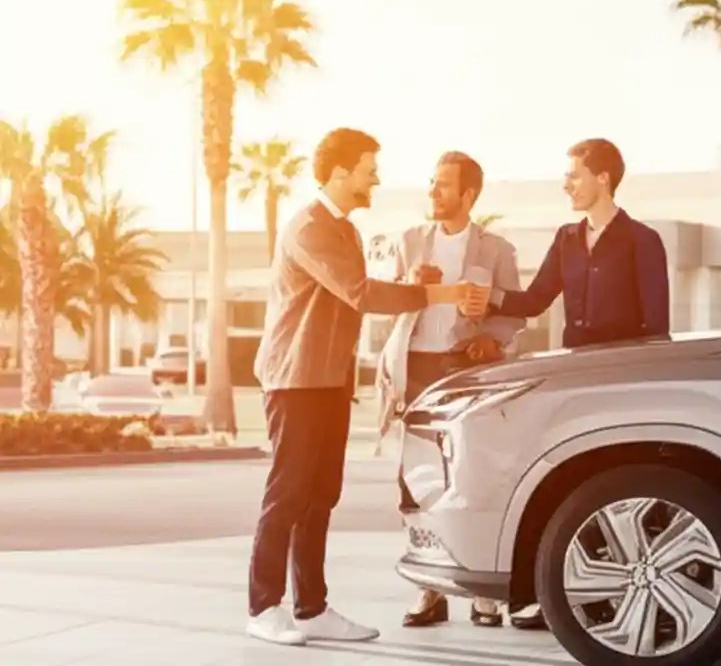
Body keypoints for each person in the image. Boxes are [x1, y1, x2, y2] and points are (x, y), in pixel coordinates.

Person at [246, 128, 487, 647]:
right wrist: (438, 291)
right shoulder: (308, 227)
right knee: (288, 493)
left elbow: (363, 286)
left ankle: (312, 608)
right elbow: (359, 292)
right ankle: (264, 606)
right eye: (367, 169)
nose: (375, 177)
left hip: (330, 381)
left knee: (320, 496)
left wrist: (413, 283)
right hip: (295, 380)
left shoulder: (346, 230)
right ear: (339, 174)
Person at [486, 138, 671, 629]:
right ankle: (563, 597)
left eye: (574, 174)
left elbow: (658, 326)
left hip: (624, 387)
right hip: (576, 385)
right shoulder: (567, 238)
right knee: (572, 485)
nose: (565, 183)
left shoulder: (642, 240)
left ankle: (619, 597)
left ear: (602, 178)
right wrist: (484, 298)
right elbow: (534, 300)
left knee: (617, 492)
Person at [376, 151, 523, 629]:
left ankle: (482, 595)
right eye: (433, 183)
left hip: (466, 370)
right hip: (416, 368)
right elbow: (386, 301)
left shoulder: (497, 250)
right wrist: (410, 286)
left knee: (471, 476)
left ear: (469, 194)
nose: (434, 192)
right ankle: (429, 590)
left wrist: (489, 339)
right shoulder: (409, 241)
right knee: (416, 481)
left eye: (444, 185)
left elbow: (513, 315)